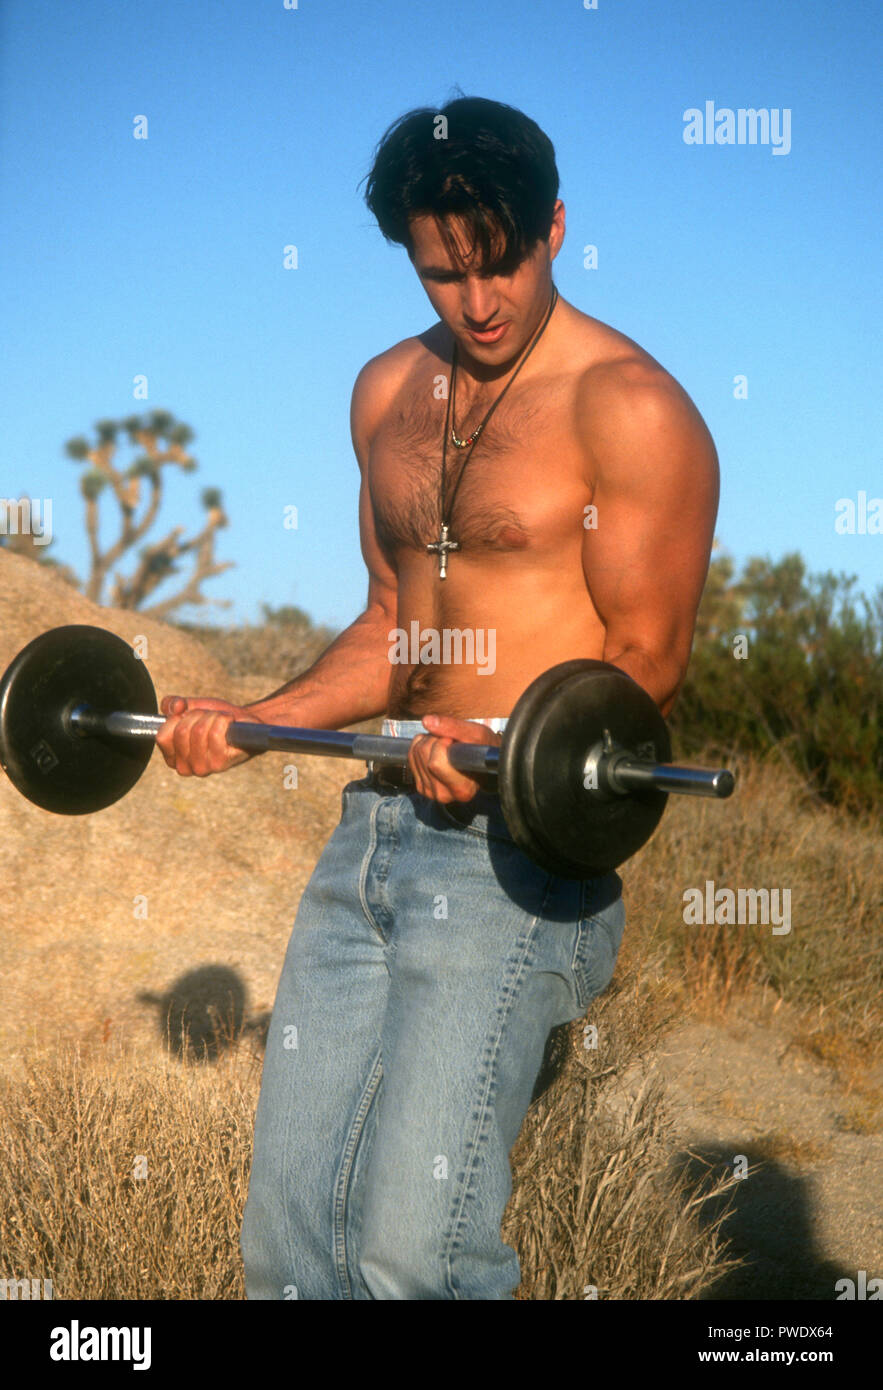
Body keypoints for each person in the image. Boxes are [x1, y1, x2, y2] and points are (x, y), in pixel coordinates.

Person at [155, 95, 719, 1300]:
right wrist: (250, 723)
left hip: (514, 852)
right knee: (290, 1249)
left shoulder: (629, 405)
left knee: (418, 1251)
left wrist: (503, 736)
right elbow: (391, 629)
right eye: (442, 274)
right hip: (369, 831)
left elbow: (647, 656)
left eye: (501, 261)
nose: (480, 301)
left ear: (555, 225)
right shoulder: (382, 396)